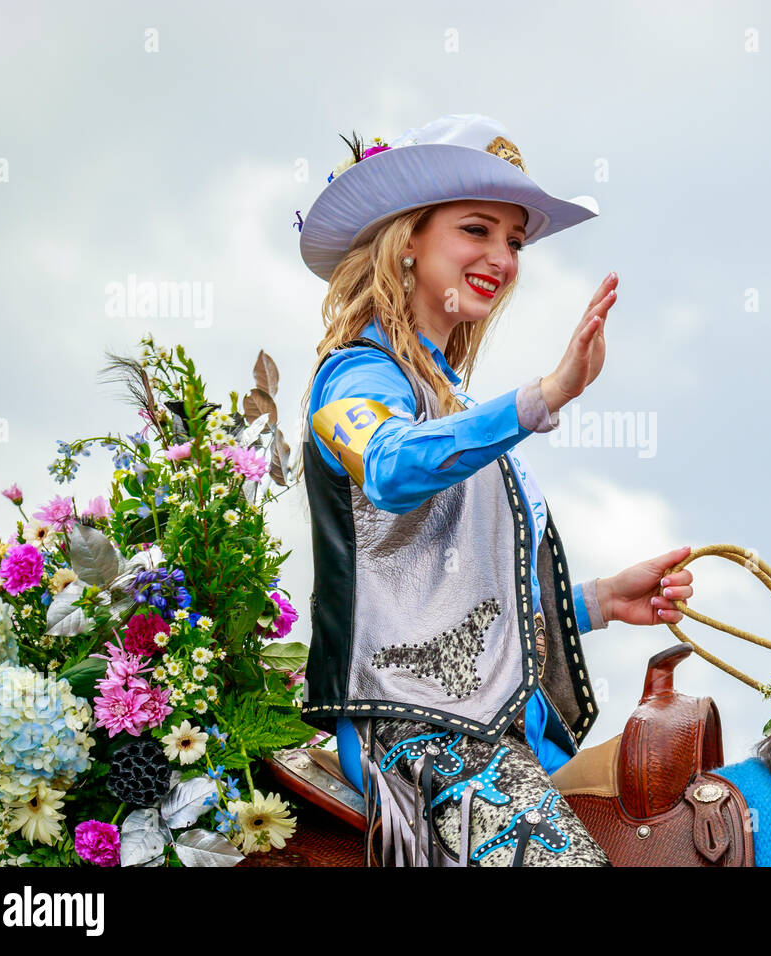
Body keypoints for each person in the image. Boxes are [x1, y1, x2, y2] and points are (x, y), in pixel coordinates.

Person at [293, 114, 695, 866]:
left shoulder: (446, 393)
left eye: (512, 240)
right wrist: (540, 399)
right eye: (477, 230)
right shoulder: (357, 374)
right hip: (416, 729)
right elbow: (387, 467)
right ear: (405, 238)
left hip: (483, 727)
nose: (501, 257)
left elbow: (458, 611)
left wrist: (602, 601)